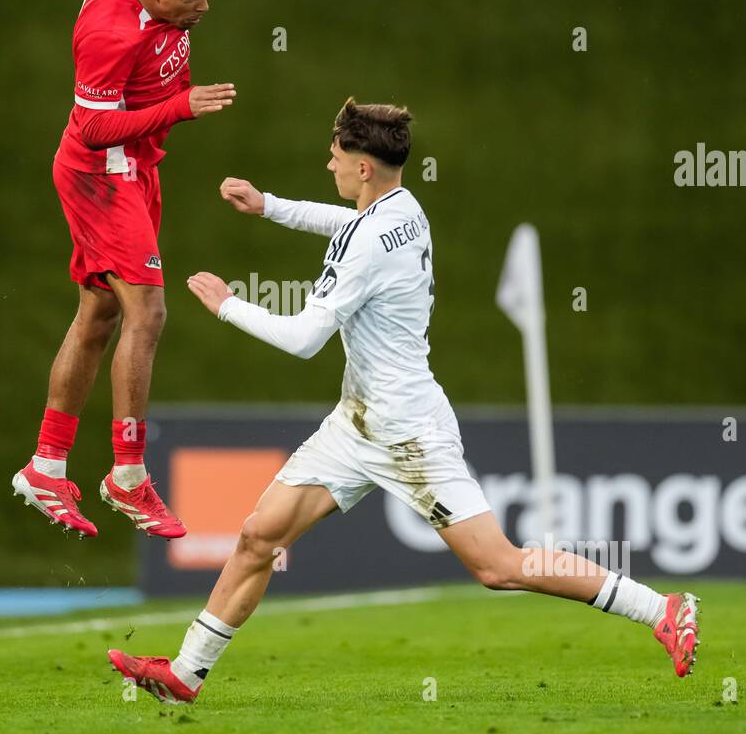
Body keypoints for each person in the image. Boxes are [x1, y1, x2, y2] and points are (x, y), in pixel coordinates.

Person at [108, 97, 701, 702]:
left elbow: (305, 339)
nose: (329, 163)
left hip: (408, 431)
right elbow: (348, 225)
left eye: (336, 154)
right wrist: (272, 207)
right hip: (356, 424)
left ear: (364, 166)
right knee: (260, 535)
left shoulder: (365, 239)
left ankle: (660, 607)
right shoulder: (404, 207)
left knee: (498, 566)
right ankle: (187, 672)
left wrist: (227, 304)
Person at [12, 0, 237, 539]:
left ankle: (46, 465)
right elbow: (92, 126)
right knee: (150, 311)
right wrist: (181, 106)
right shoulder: (110, 27)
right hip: (99, 171)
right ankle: (129, 475)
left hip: (136, 168)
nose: (203, 7)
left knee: (99, 314)